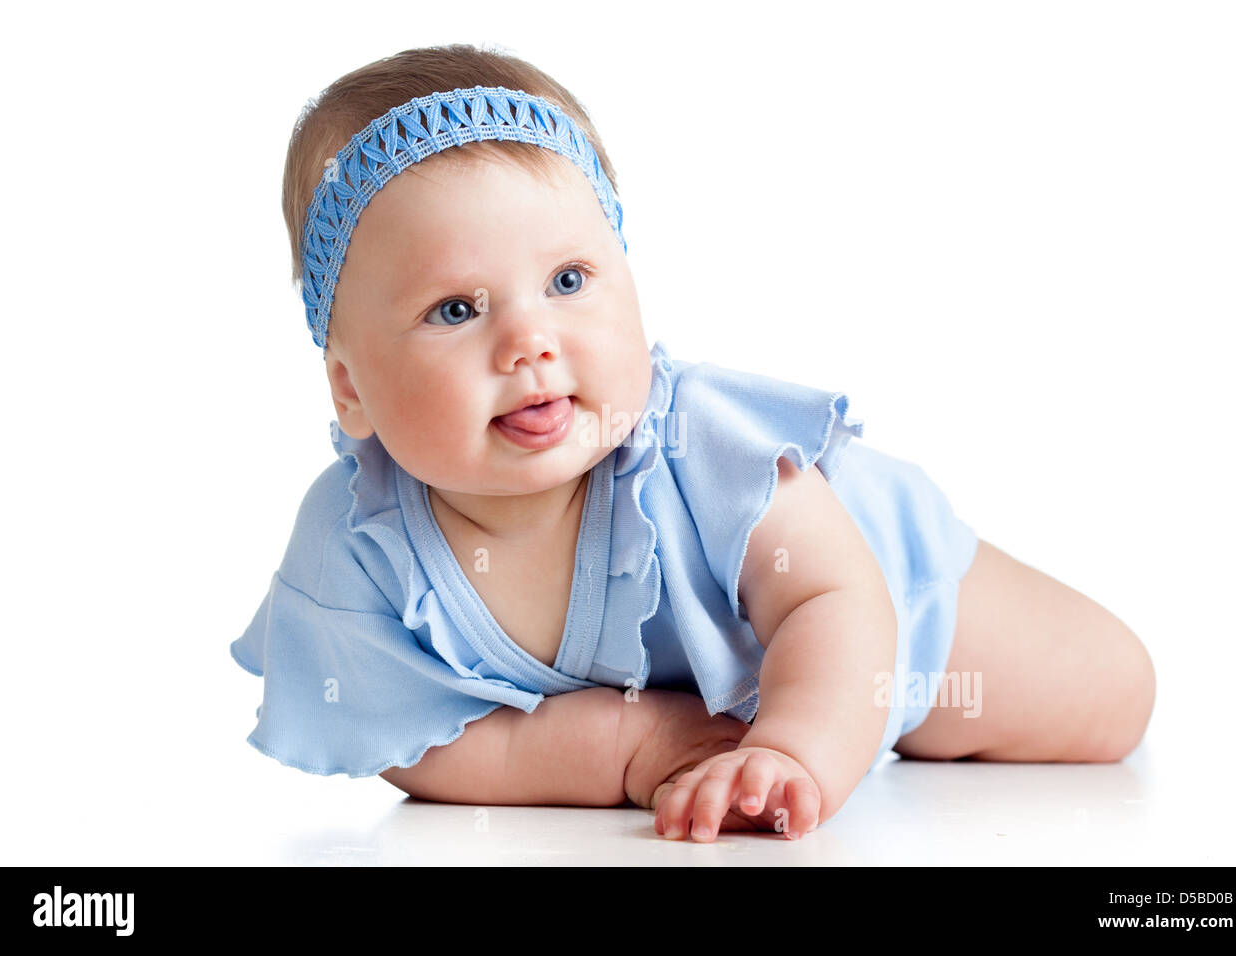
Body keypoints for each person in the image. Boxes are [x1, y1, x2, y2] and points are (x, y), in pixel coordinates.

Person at [231, 43, 1156, 843]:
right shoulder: (355, 546)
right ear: (351, 386)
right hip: (745, 697)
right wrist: (627, 743)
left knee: (1109, 697)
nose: (529, 341)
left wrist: (793, 748)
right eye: (457, 309)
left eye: (567, 278)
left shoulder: (695, 444)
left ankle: (874, 720)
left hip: (892, 599)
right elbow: (411, 738)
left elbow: (831, 597)